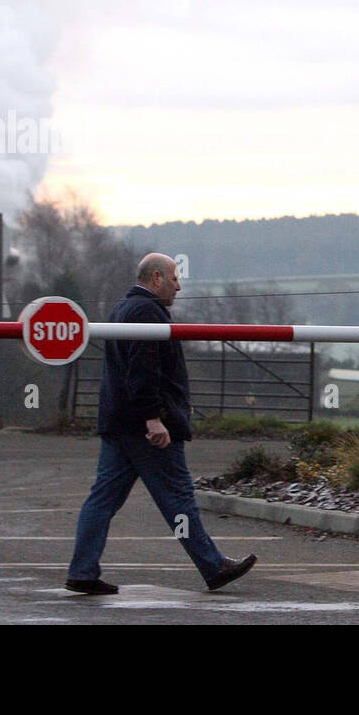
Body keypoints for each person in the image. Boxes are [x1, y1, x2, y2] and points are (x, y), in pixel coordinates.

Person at [66, 252, 256, 594]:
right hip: (145, 427)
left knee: (102, 500)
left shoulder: (122, 309)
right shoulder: (146, 312)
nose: (179, 286)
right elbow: (143, 372)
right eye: (174, 278)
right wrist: (155, 418)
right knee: (178, 498)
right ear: (156, 278)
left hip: (119, 423)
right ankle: (213, 566)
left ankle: (82, 571)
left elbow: (132, 372)